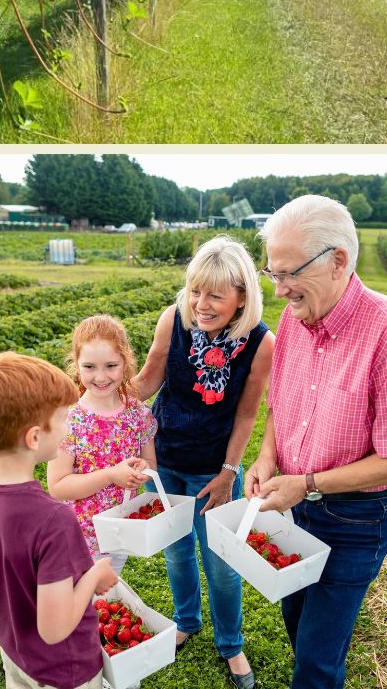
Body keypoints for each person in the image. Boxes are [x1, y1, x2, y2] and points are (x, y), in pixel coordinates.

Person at [245, 195, 387, 689]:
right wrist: (267, 456)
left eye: (289, 273)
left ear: (337, 261)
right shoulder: (294, 318)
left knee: (317, 658)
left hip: (355, 517)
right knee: (296, 618)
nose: (280, 289)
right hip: (293, 503)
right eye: (273, 273)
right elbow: (281, 400)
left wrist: (307, 483)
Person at [133, 235, 273, 689]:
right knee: (176, 553)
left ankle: (231, 645)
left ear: (241, 298)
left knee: (222, 564)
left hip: (213, 467)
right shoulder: (173, 319)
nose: (201, 304)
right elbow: (148, 381)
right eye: (195, 291)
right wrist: (101, 392)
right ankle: (187, 621)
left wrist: (229, 472)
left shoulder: (260, 343)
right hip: (163, 460)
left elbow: (247, 413)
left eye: (214, 294)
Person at [0, 351, 119, 689]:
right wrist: (95, 575)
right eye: (62, 419)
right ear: (34, 438)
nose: (68, 427)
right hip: (64, 668)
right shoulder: (54, 520)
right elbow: (55, 628)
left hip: (16, 649)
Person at [47, 315, 157, 576]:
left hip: (119, 532)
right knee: (81, 597)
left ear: (125, 363)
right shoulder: (70, 420)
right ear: (76, 365)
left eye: (111, 365)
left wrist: (142, 470)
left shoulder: (137, 414)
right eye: (89, 367)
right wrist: (110, 475)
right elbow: (57, 487)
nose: (101, 376)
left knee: (107, 592)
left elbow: (151, 463)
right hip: (78, 537)